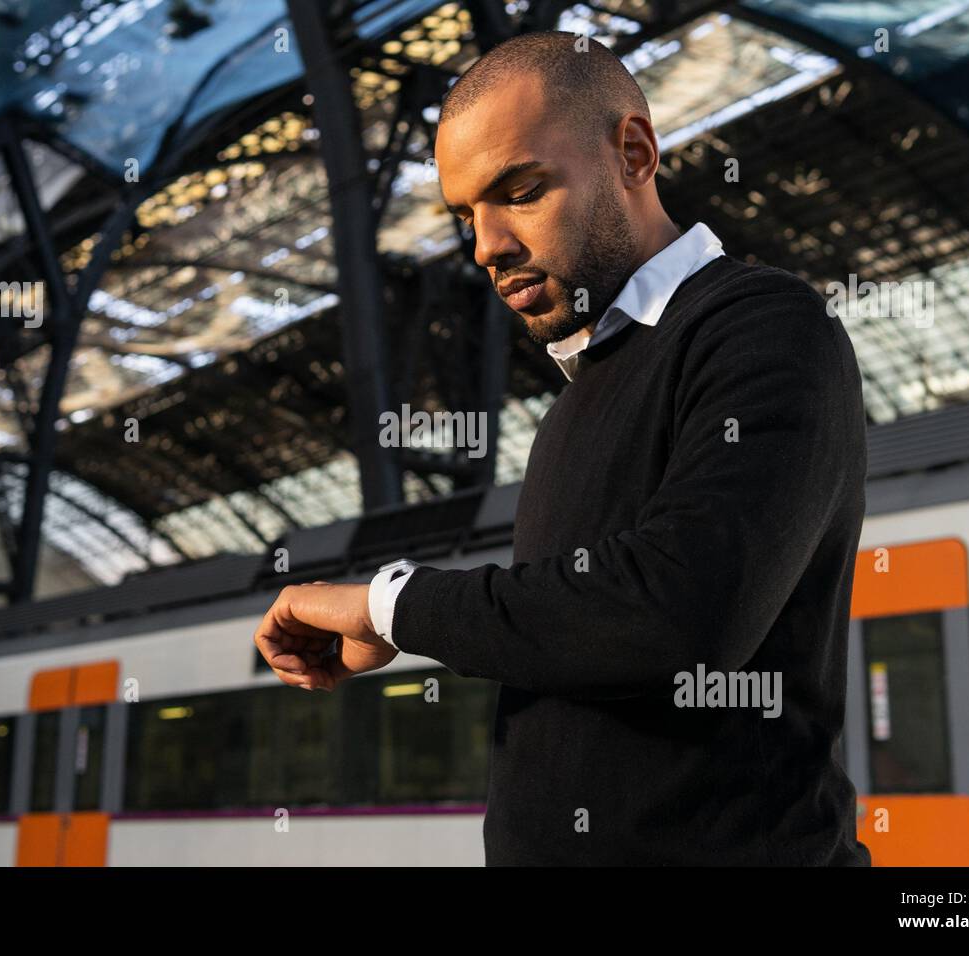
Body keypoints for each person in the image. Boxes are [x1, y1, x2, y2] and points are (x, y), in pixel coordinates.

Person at [254, 31, 871, 866]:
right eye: (466, 215)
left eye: (520, 190)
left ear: (634, 152)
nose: (485, 246)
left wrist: (389, 606)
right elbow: (575, 636)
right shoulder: (579, 402)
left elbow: (676, 613)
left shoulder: (762, 327)